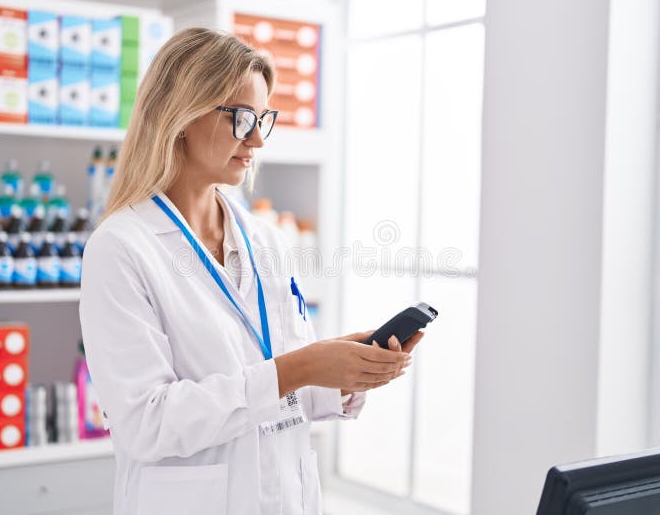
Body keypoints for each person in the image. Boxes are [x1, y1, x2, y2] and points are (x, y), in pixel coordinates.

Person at [79, 27, 424, 515]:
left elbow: (280, 385)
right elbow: (147, 423)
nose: (258, 138)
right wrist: (300, 367)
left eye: (263, 118)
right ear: (181, 116)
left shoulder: (263, 239)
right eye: (242, 118)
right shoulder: (120, 249)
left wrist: (344, 369)